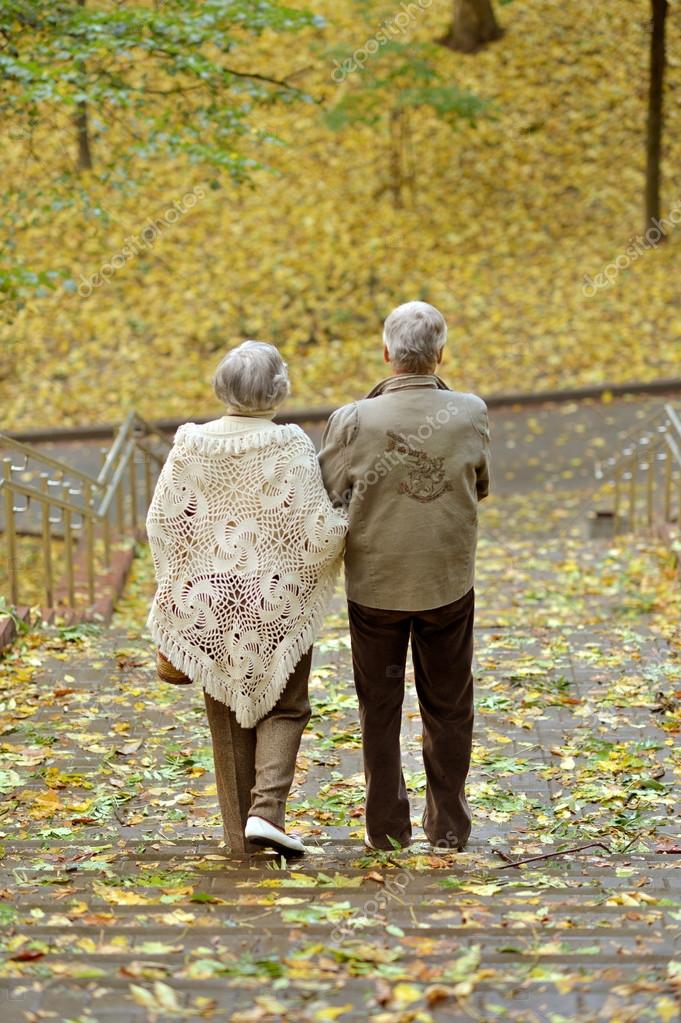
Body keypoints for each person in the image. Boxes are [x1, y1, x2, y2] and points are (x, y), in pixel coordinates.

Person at [146, 341, 347, 857]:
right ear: (278, 389)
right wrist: (347, 524)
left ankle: (243, 842)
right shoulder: (289, 445)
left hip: (210, 598)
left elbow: (164, 522)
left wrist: (180, 585)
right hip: (277, 597)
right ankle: (267, 812)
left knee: (228, 717)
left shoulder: (190, 445)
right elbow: (318, 532)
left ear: (222, 388)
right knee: (287, 706)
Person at [318, 301, 490, 851]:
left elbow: (329, 491)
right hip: (446, 583)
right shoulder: (468, 412)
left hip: (376, 588)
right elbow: (479, 484)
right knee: (449, 704)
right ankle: (448, 829)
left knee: (380, 707)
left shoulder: (353, 420)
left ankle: (387, 830)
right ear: (440, 353)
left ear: (386, 353)